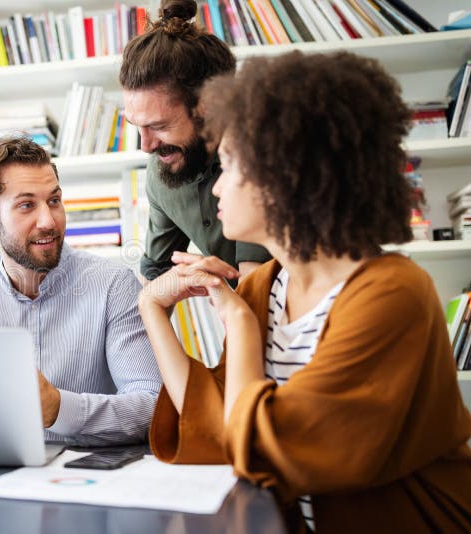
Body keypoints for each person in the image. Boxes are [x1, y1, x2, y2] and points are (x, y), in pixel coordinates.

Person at [139, 51, 471, 532]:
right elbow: (215, 425)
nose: (215, 189)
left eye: (229, 165)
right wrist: (152, 306)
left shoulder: (394, 293)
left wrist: (238, 324)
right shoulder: (260, 288)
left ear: (285, 174)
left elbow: (270, 448)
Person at [0, 137, 161, 446]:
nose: (49, 221)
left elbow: (152, 405)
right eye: (26, 205)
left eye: (54, 200)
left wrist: (59, 409)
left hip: (87, 476)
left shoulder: (113, 286)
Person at [120, 0, 270, 282]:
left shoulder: (260, 150)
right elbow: (155, 277)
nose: (146, 146)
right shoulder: (163, 169)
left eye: (159, 126)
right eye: (137, 126)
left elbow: (257, 292)